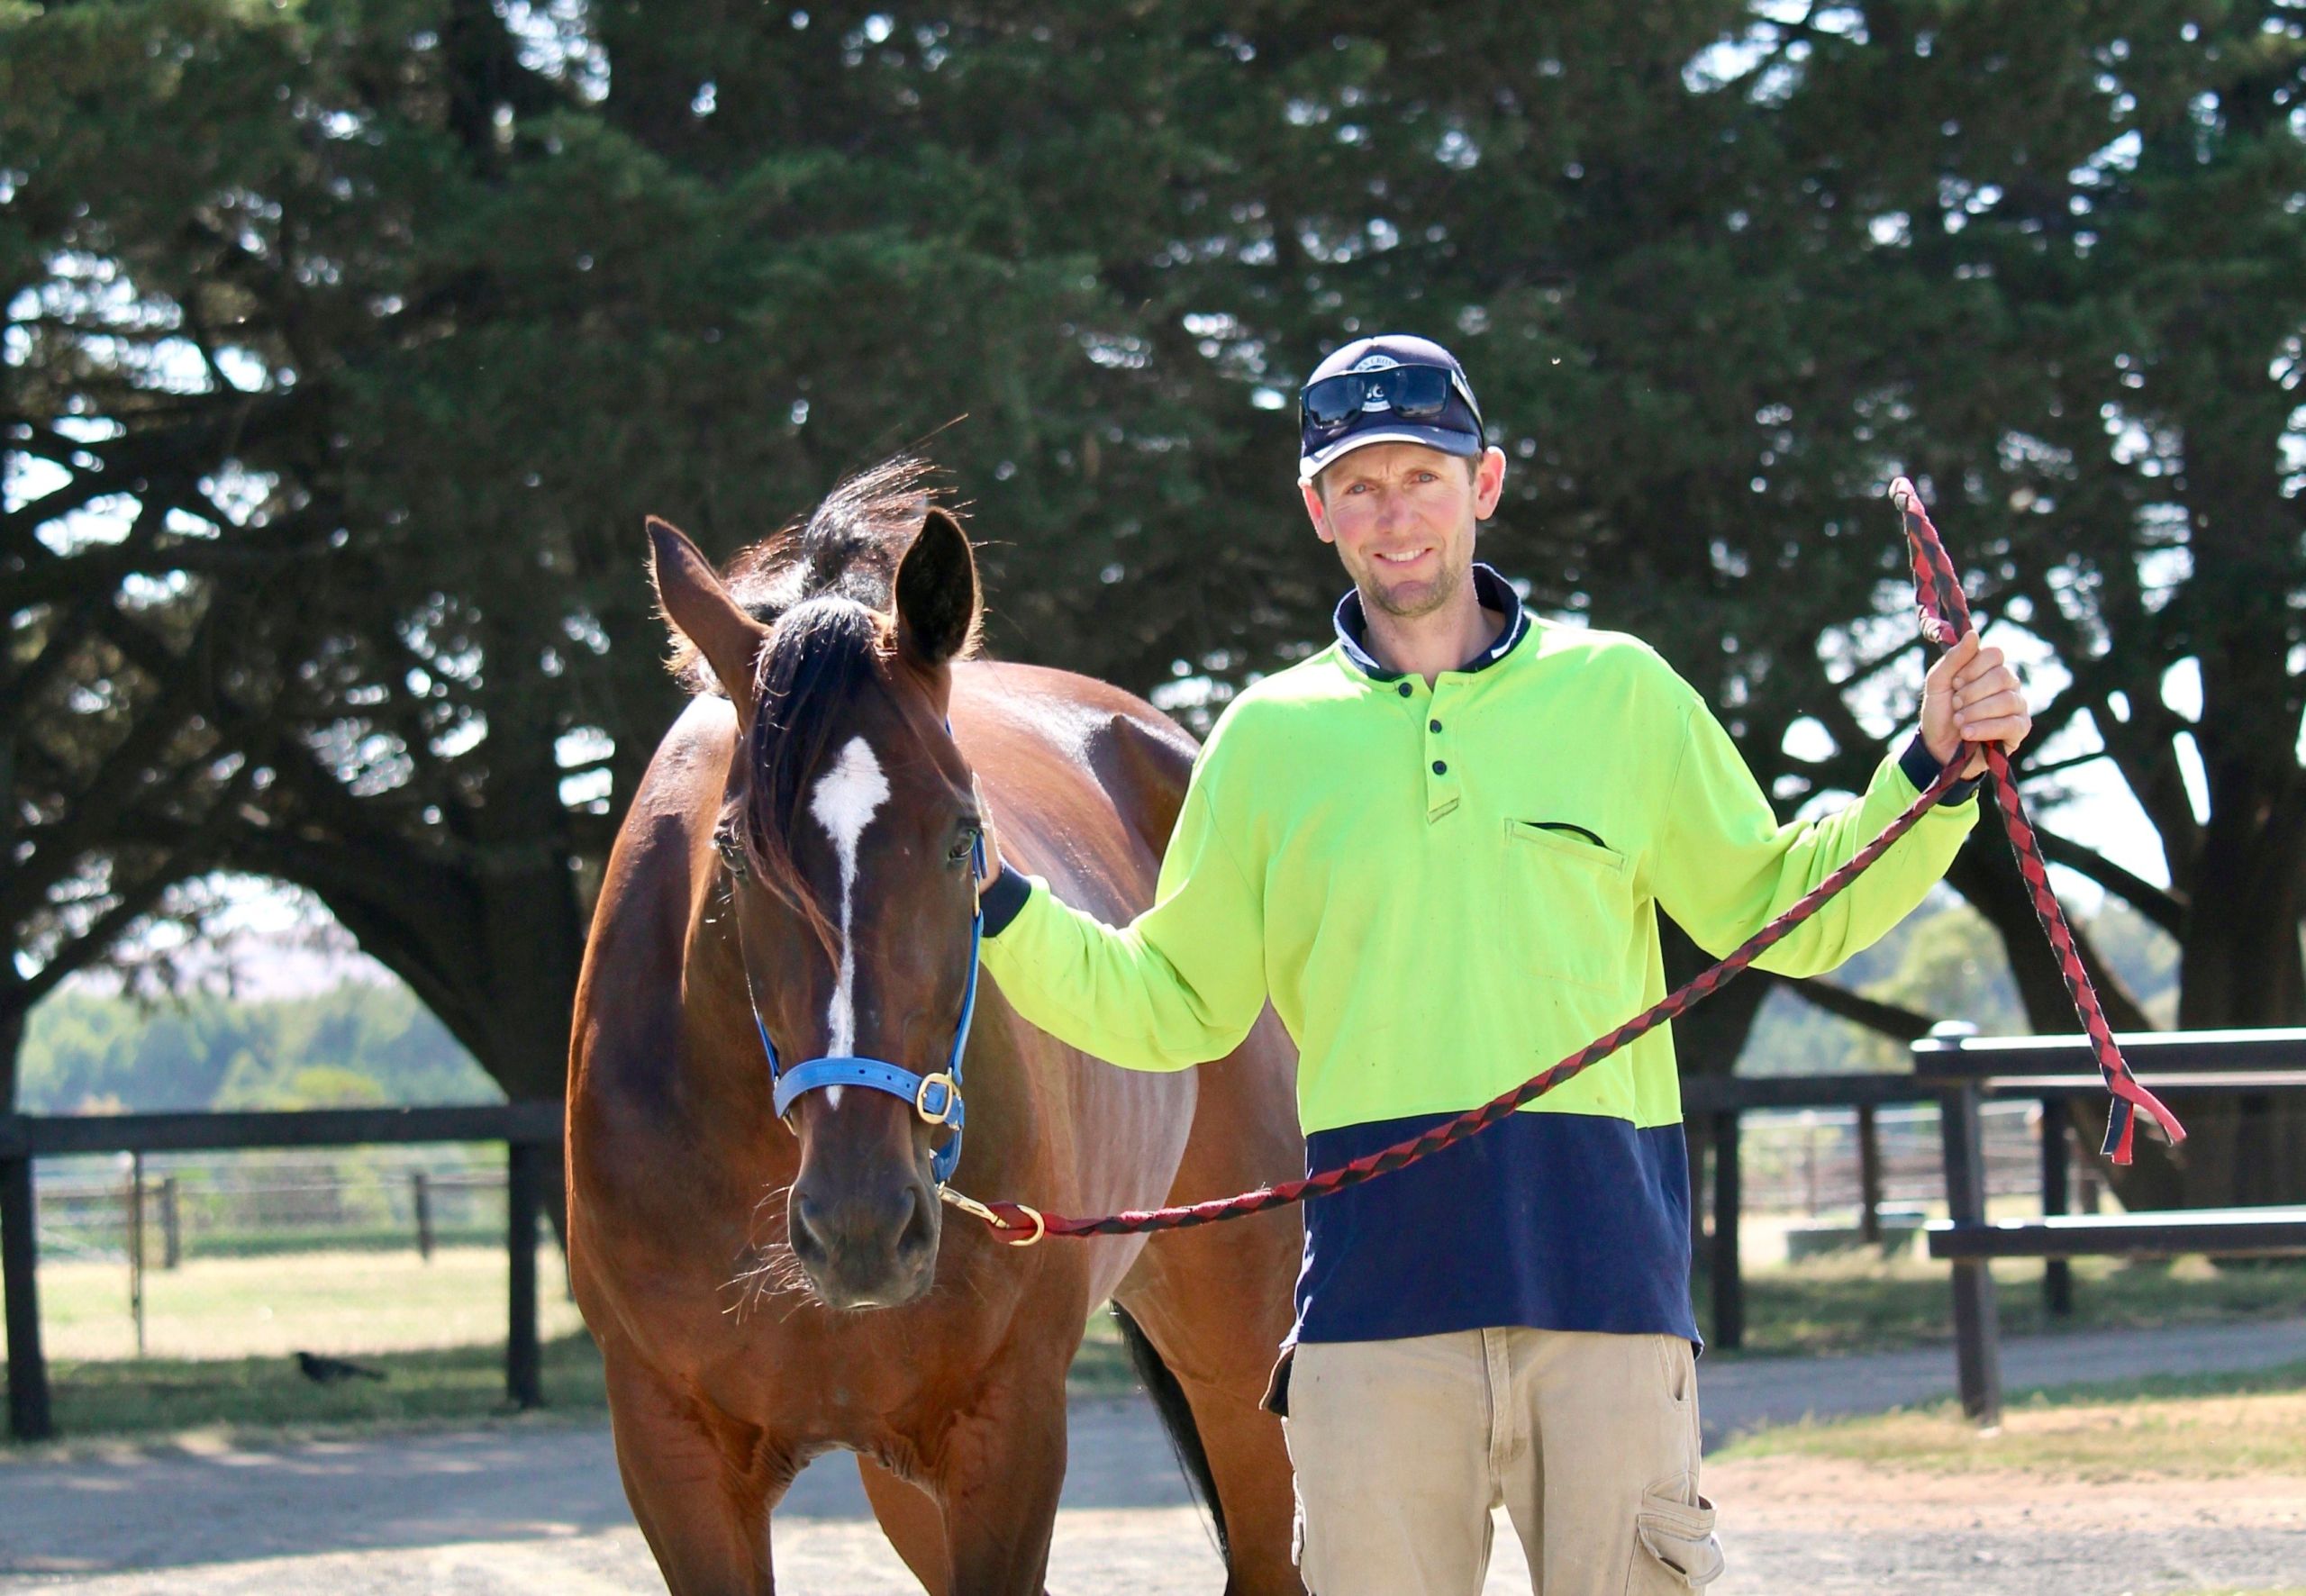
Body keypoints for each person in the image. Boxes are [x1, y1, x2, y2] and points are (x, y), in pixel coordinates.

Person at [971, 333, 2030, 1595]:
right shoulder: (1263, 743)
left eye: (1423, 474)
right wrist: (988, 900)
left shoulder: (1620, 694)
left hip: (1609, 1303)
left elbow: (1783, 909)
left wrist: (1927, 771)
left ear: (1487, 483)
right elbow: (1171, 1002)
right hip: (1373, 1318)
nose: (1394, 514)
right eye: (1358, 484)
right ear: (1317, 511)